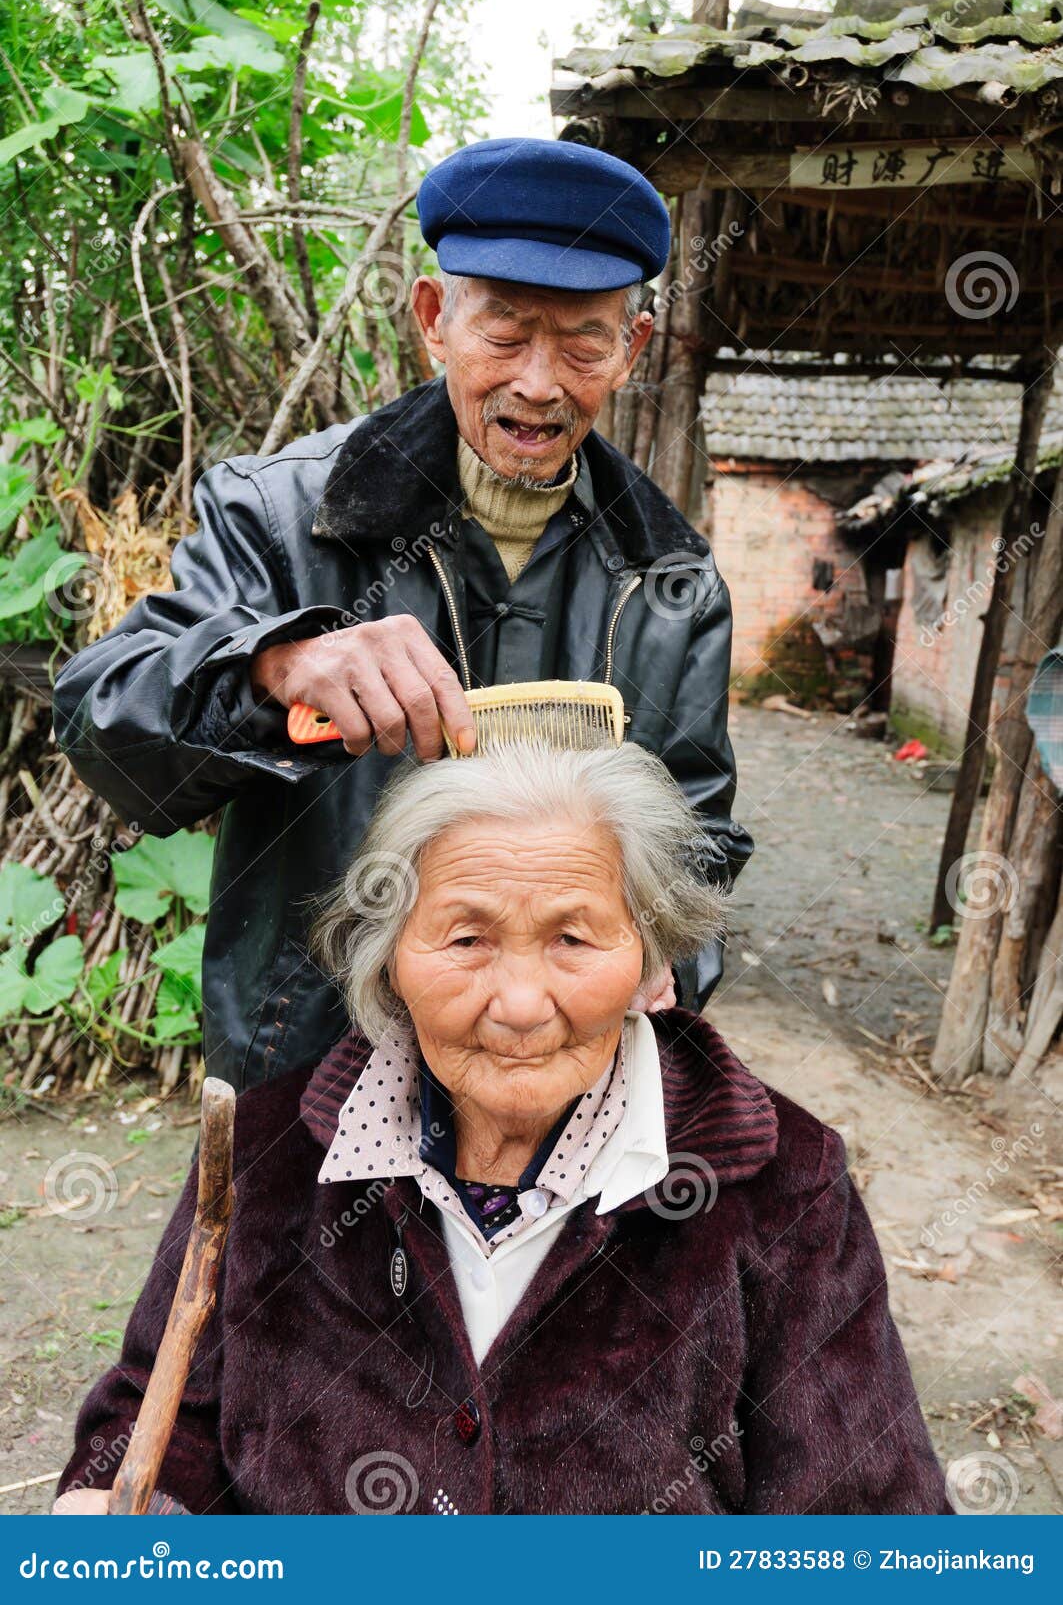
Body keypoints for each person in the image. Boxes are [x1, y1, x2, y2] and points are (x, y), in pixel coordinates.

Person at [54, 743, 948, 1516]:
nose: (520, 1007)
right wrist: (127, 1507)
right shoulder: (268, 1149)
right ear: (390, 959)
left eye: (573, 938)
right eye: (465, 939)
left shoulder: (779, 1182)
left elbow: (865, 1522)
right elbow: (160, 1410)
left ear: (648, 957)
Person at [52, 137, 752, 1091]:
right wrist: (274, 669)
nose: (539, 382)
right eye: (503, 330)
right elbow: (99, 724)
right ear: (435, 320)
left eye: (583, 338)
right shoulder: (279, 514)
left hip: (551, 1070)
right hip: (308, 1064)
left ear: (629, 349)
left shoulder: (670, 575)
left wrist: (670, 951)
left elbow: (700, 826)